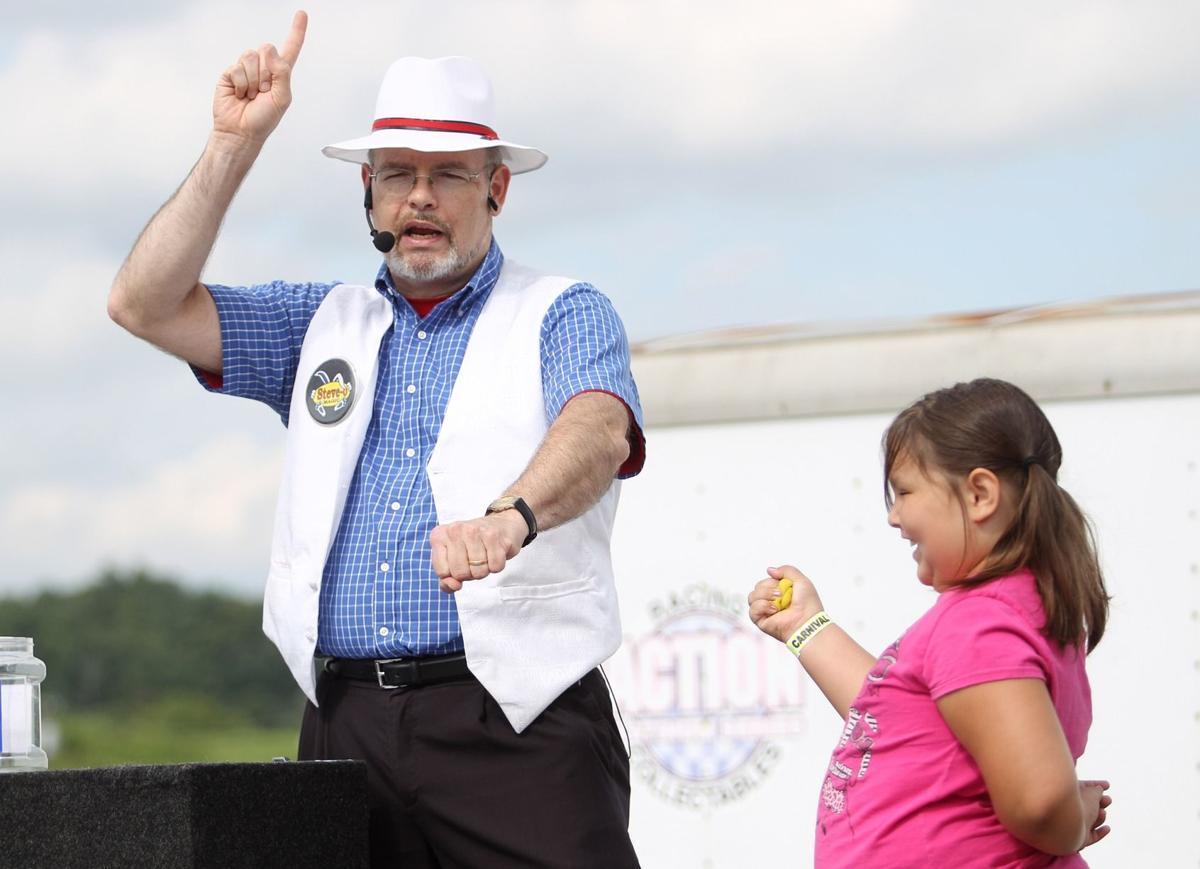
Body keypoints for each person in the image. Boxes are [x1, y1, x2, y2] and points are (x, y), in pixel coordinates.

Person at [108, 11, 644, 868]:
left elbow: (599, 426)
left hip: (512, 722)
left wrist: (510, 517)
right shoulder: (318, 321)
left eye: (448, 175)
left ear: (498, 190)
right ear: (368, 194)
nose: (419, 196)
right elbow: (144, 304)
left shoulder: (561, 310)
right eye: (396, 173)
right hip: (344, 722)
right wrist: (232, 144)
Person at [747, 378, 1112, 868]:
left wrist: (1073, 819)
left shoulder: (981, 626)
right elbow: (898, 719)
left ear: (981, 494)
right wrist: (805, 626)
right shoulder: (998, 614)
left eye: (904, 492)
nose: (894, 517)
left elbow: (1039, 804)